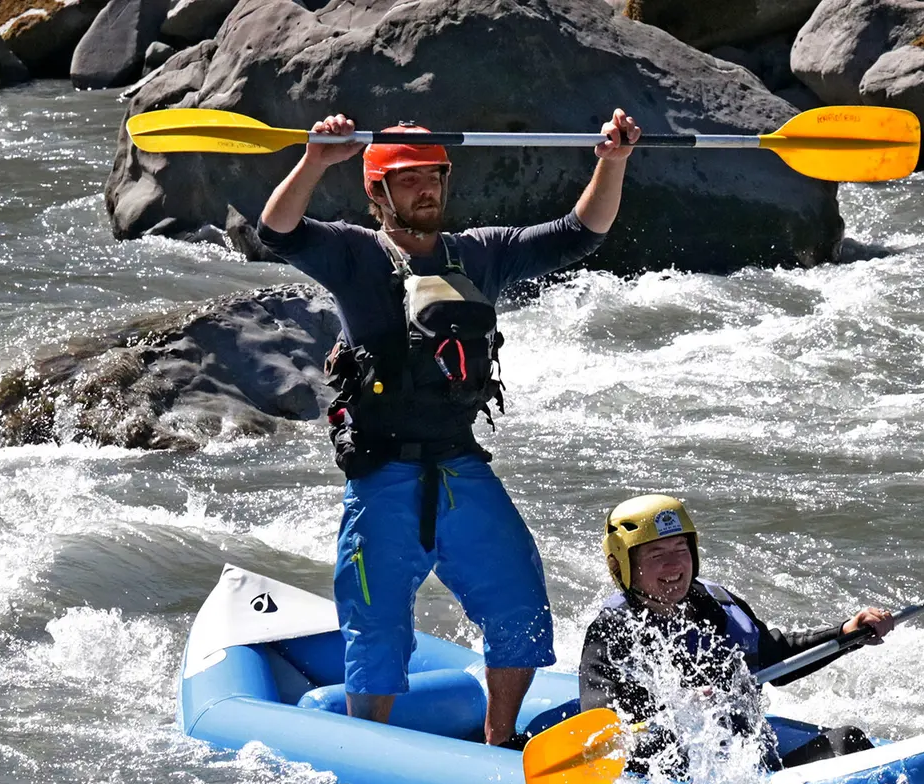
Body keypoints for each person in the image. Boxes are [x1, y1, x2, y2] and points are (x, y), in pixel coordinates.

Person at [256, 107, 640, 743]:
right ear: (378, 192)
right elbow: (278, 232)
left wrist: (613, 162)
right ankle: (368, 747)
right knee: (376, 631)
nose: (426, 190)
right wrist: (315, 159)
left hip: (460, 465)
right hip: (382, 476)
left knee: (519, 606)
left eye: (434, 177)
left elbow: (580, 233)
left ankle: (500, 740)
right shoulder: (354, 254)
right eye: (408, 180)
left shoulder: (480, 254)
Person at [579, 494, 894, 777]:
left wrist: (846, 633)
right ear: (624, 565)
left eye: (681, 549)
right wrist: (680, 711)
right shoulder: (612, 633)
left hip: (745, 757)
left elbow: (775, 659)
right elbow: (601, 734)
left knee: (846, 741)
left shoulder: (716, 604)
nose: (674, 564)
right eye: (656, 554)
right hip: (676, 775)